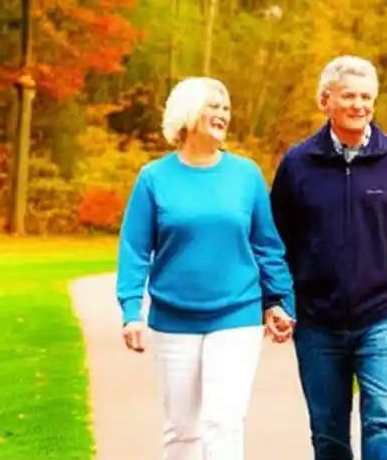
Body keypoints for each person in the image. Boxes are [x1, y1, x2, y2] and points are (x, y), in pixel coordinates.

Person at [270, 55, 387, 460]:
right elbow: (276, 243)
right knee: (328, 433)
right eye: (348, 95)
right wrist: (277, 300)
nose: (359, 105)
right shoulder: (298, 164)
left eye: (367, 96)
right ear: (325, 101)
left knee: (383, 420)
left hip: (382, 317)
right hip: (317, 321)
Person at [115, 76, 295, 460]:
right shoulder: (154, 178)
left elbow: (267, 246)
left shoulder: (245, 175)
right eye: (212, 106)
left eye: (226, 108)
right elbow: (134, 249)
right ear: (187, 114)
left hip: (236, 315)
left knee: (223, 424)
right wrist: (132, 311)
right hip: (173, 318)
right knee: (181, 430)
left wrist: (279, 301)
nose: (222, 114)